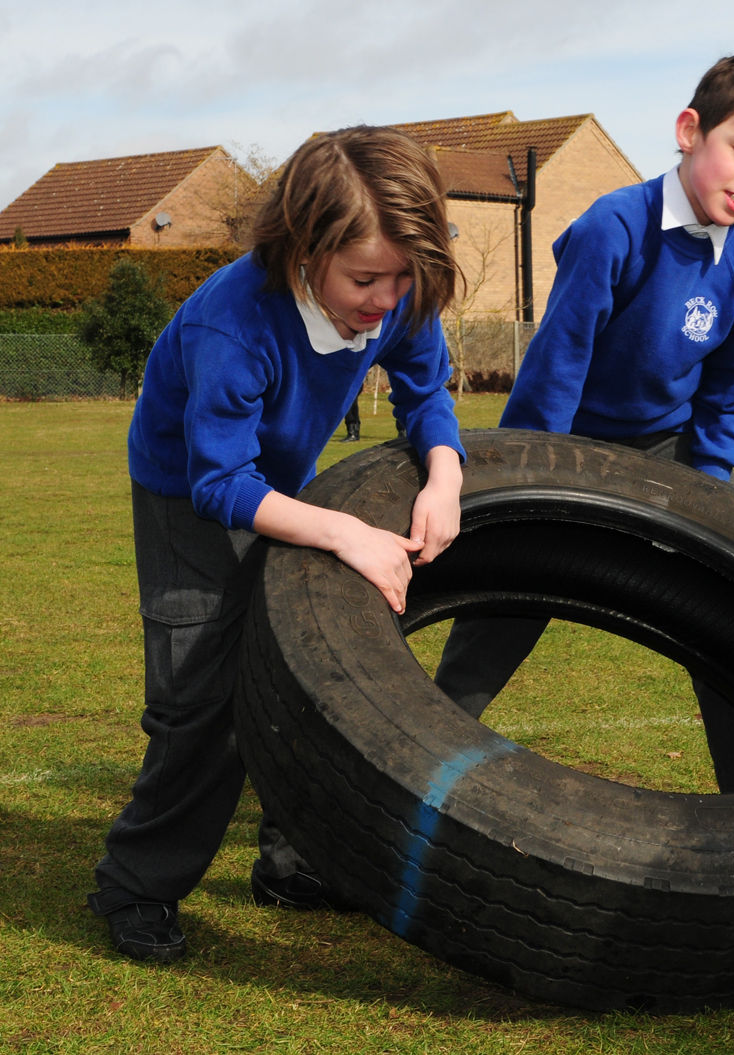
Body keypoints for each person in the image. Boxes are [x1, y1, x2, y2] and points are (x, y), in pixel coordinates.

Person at [88, 126, 466, 962]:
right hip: (186, 495)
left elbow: (425, 390)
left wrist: (444, 475)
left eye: (404, 276)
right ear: (303, 250)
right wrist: (346, 533)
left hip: (281, 486)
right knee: (200, 703)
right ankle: (136, 886)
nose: (386, 296)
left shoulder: (398, 293)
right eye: (366, 278)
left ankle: (293, 863)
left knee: (301, 672)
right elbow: (218, 483)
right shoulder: (232, 323)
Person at [432, 51, 734, 793]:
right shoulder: (615, 226)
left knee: (723, 620)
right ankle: (409, 759)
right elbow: (559, 359)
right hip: (566, 441)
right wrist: (533, 469)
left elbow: (733, 388)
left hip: (668, 453)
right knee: (503, 608)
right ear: (690, 131)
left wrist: (709, 488)